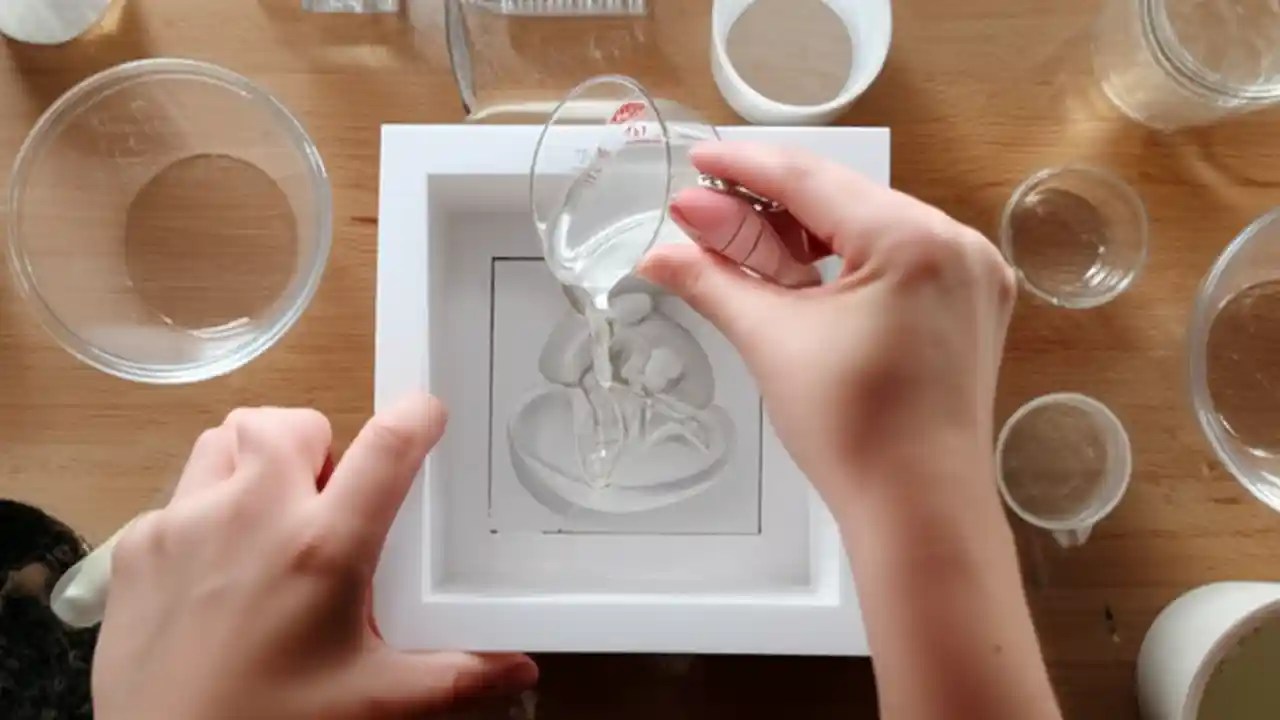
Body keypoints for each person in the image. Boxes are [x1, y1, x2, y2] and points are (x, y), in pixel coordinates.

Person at [92, 142, 1062, 720]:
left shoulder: (665, 354)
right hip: (614, 423)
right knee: (564, 422)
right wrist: (922, 489)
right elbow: (567, 372)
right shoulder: (590, 347)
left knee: (657, 435)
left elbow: (673, 383)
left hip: (661, 429)